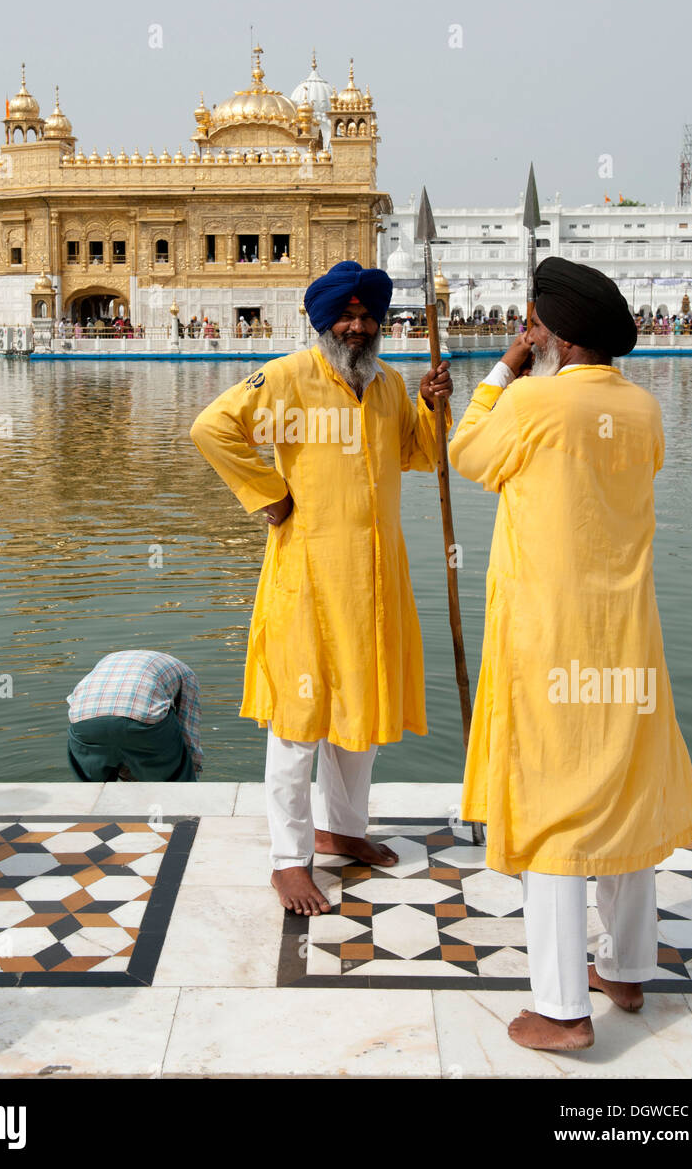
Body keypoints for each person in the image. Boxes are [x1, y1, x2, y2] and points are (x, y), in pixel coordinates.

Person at [447, 257, 692, 1052]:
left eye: (535, 328)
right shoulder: (644, 411)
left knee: (554, 804)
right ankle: (626, 968)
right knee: (621, 791)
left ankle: (561, 1011)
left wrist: (504, 366)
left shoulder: (532, 400)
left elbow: (466, 453)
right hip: (626, 635)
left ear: (550, 334)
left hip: (550, 635)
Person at [190, 260, 451, 916]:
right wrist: (269, 495)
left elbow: (421, 455)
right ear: (323, 319)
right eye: (348, 316)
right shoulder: (285, 378)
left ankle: (345, 829)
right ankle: (289, 860)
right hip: (307, 577)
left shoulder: (388, 384)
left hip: (372, 579)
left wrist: (430, 402)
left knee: (357, 710)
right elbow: (211, 428)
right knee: (298, 720)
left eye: (368, 317)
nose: (358, 327)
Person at [66, 649, 202, 782]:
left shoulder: (108, 661)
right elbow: (187, 731)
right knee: (174, 788)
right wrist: (189, 771)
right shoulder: (187, 675)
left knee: (92, 791)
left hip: (84, 720)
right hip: (142, 722)